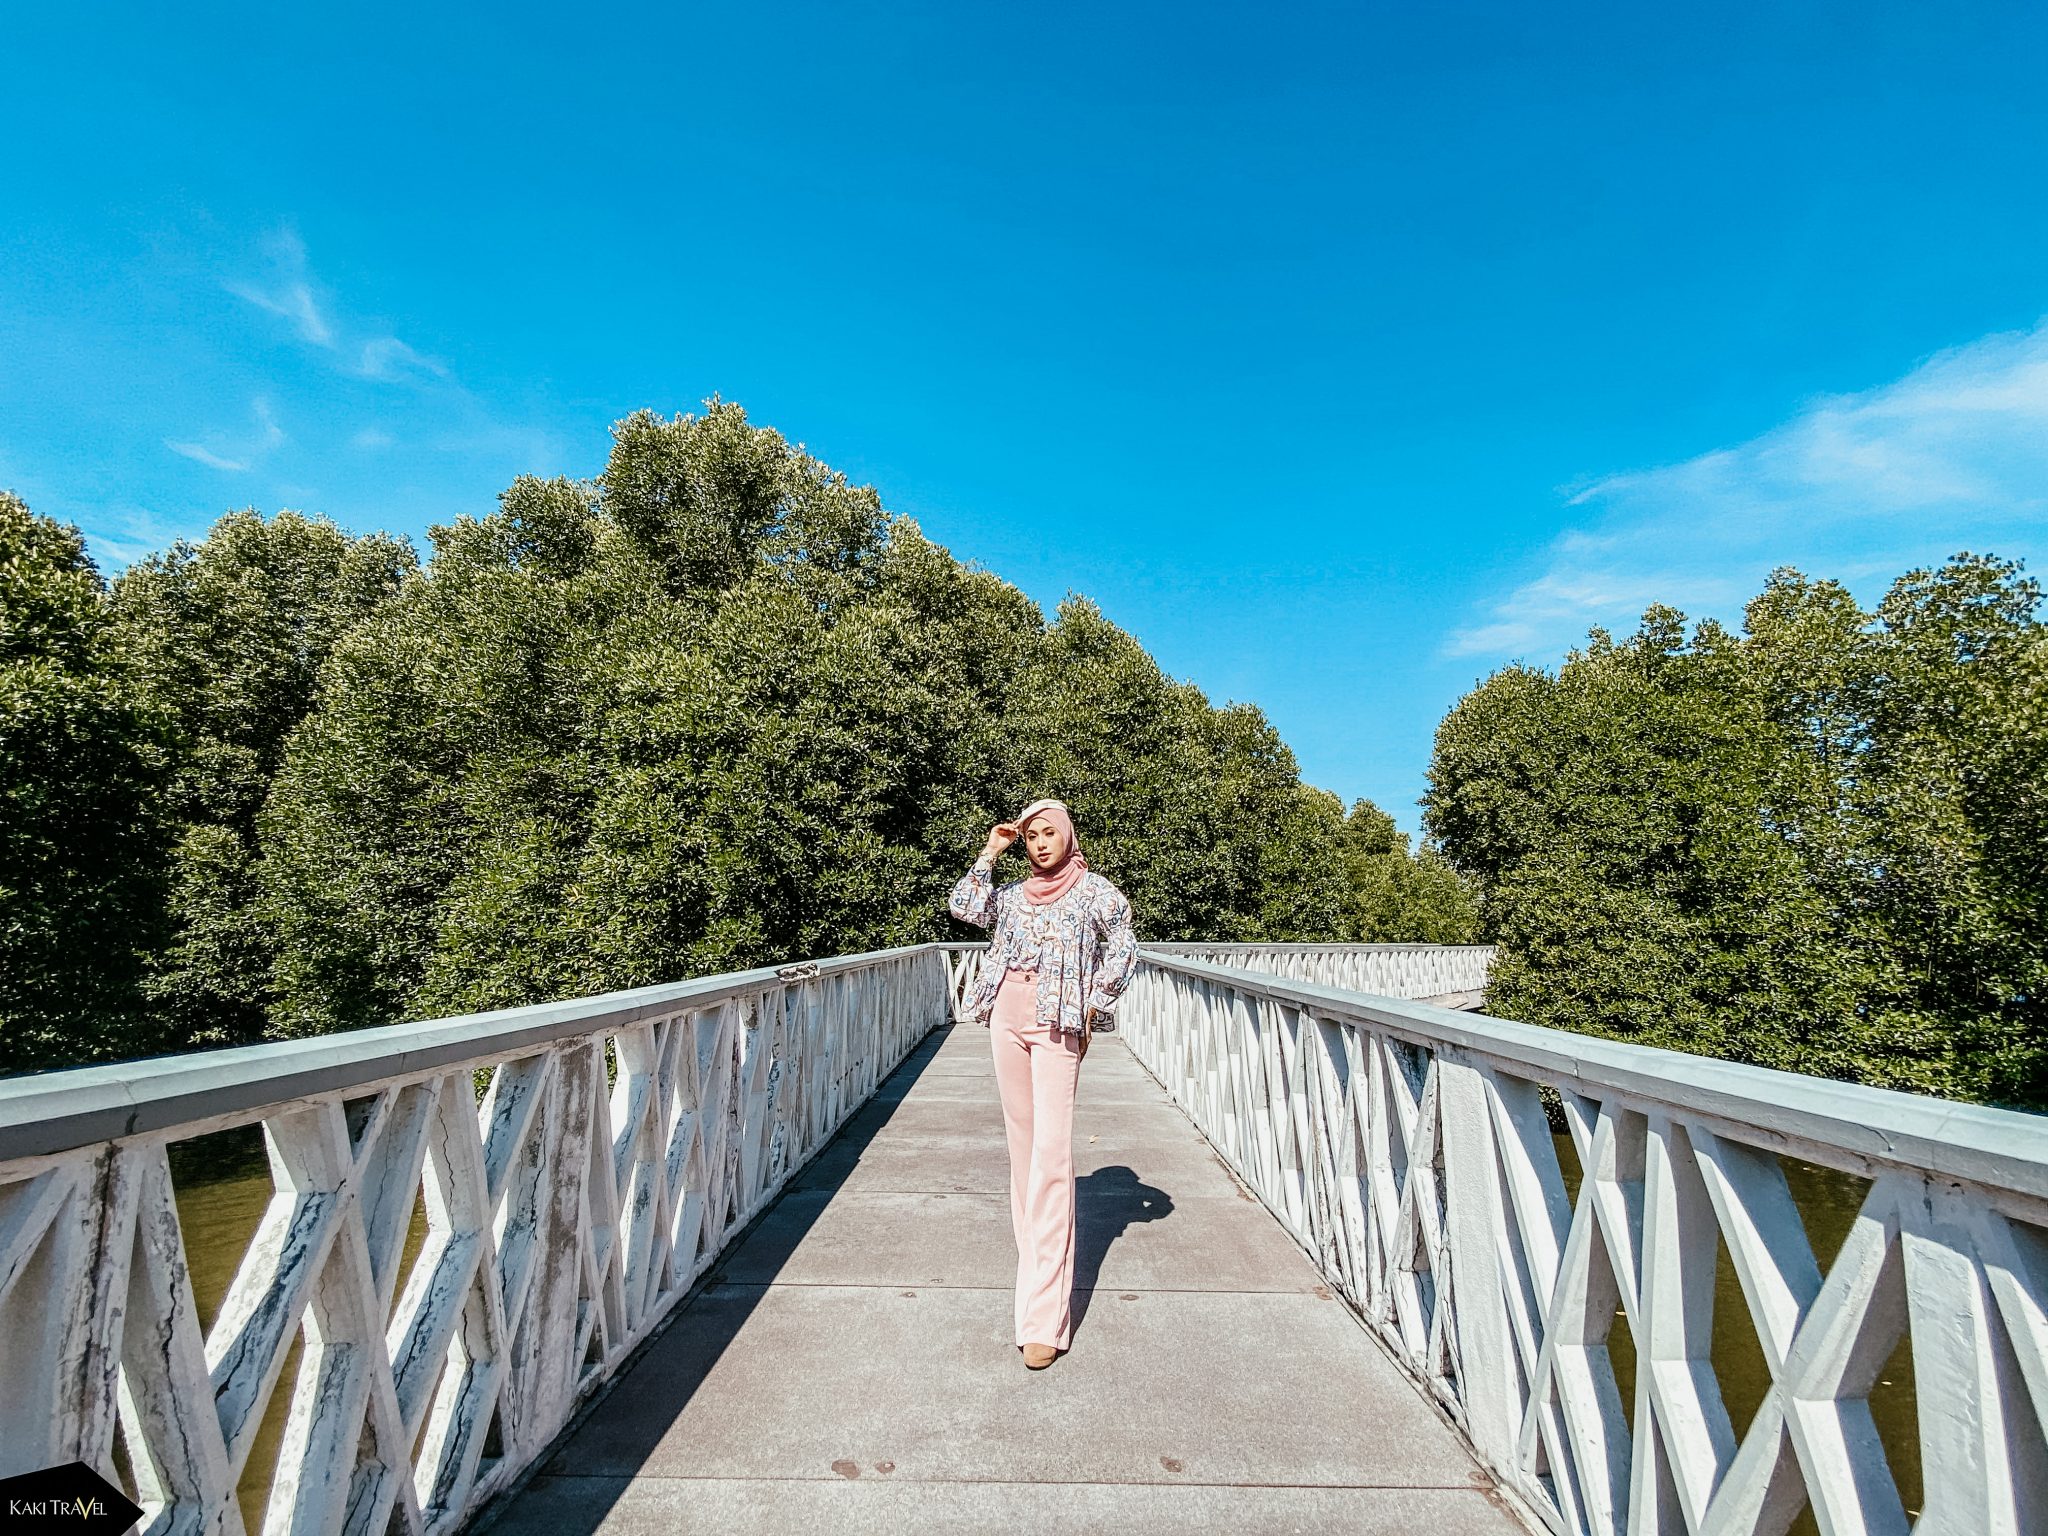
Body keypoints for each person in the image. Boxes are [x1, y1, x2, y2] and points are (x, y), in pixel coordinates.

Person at [948, 798, 1139, 1370]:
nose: (1039, 842)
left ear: (1069, 834)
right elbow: (963, 907)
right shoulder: (1009, 896)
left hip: (1059, 1024)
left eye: (1048, 832)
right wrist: (990, 850)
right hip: (1006, 1016)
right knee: (1022, 1156)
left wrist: (1095, 1000)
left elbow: (1125, 947)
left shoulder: (1096, 892)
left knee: (1053, 1161)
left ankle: (1043, 1320)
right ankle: (1034, 1290)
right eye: (1030, 835)